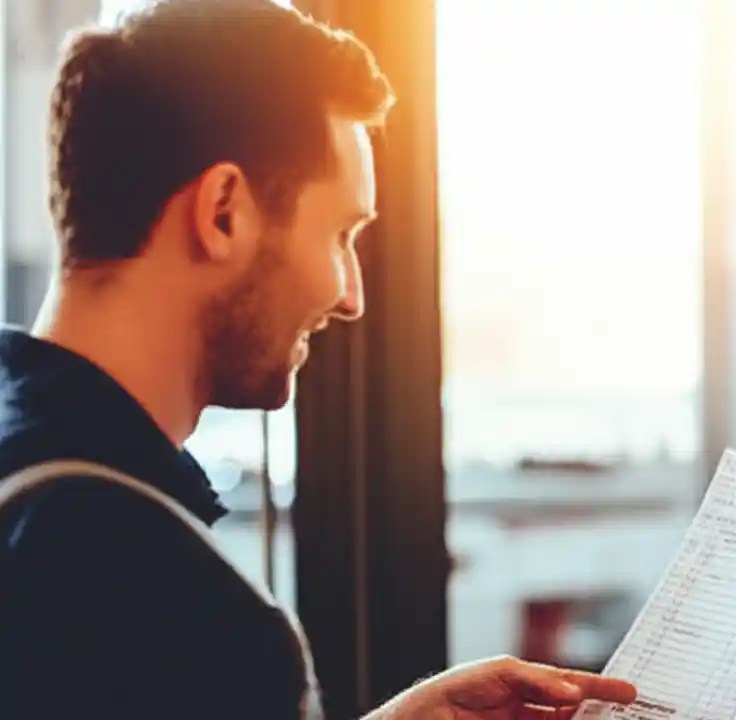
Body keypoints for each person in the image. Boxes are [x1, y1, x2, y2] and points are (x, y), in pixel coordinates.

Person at [0, 1, 637, 718]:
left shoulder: (37, 491)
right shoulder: (190, 618)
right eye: (341, 234)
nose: (352, 295)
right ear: (223, 214)